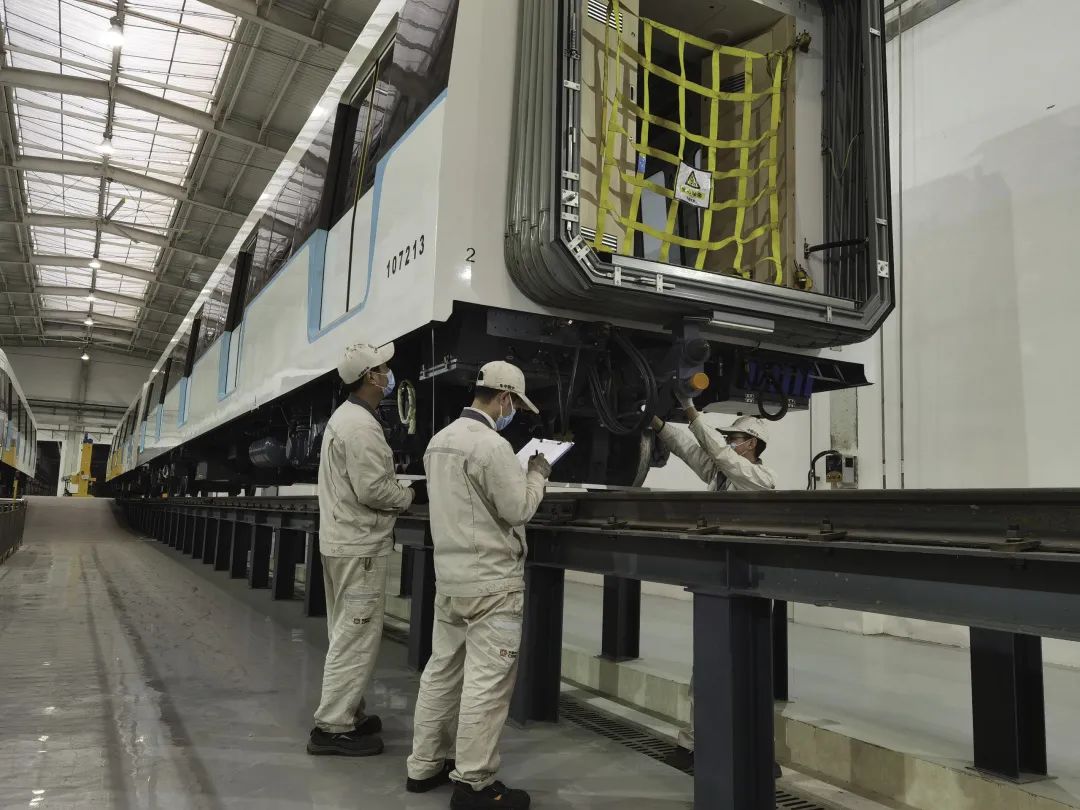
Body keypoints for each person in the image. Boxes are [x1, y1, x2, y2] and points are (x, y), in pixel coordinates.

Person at [406, 361, 552, 810]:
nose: (514, 414)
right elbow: (517, 509)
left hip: (450, 579)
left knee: (441, 672)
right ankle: (474, 785)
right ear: (505, 399)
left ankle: (424, 765)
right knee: (487, 685)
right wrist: (538, 473)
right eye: (515, 406)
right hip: (492, 584)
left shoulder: (438, 443)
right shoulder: (493, 446)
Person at [651, 403, 778, 768]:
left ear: (752, 443)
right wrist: (658, 423)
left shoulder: (758, 478)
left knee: (748, 672)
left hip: (748, 587)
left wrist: (692, 412)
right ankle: (691, 745)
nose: (728, 444)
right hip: (716, 582)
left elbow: (719, 454)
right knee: (705, 667)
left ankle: (756, 751)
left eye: (735, 439)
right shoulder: (721, 474)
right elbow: (692, 449)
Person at [307, 342, 415, 757]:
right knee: (354, 637)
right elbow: (373, 489)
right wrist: (407, 496)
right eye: (383, 369)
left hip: (341, 541)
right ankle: (332, 728)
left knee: (344, 633)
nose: (388, 375)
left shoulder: (346, 418)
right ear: (370, 376)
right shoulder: (361, 426)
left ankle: (348, 712)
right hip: (359, 547)